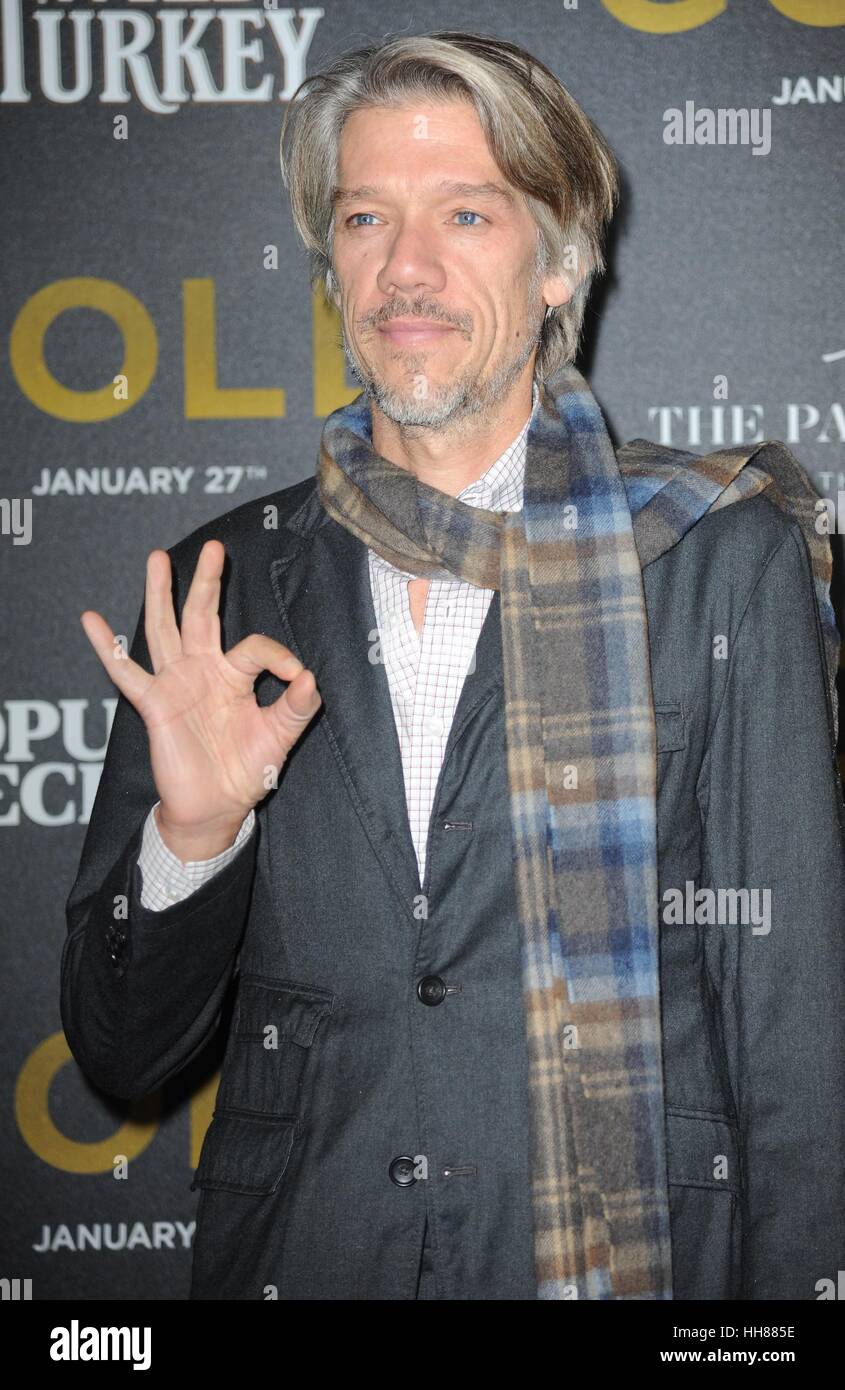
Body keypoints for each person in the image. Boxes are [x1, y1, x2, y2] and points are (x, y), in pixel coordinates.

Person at [61, 31, 845, 1301]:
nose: (404, 268)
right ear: (330, 265)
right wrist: (192, 840)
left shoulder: (711, 558)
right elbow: (116, 1053)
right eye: (364, 217)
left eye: (465, 213)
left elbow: (798, 1034)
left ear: (554, 264)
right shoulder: (222, 583)